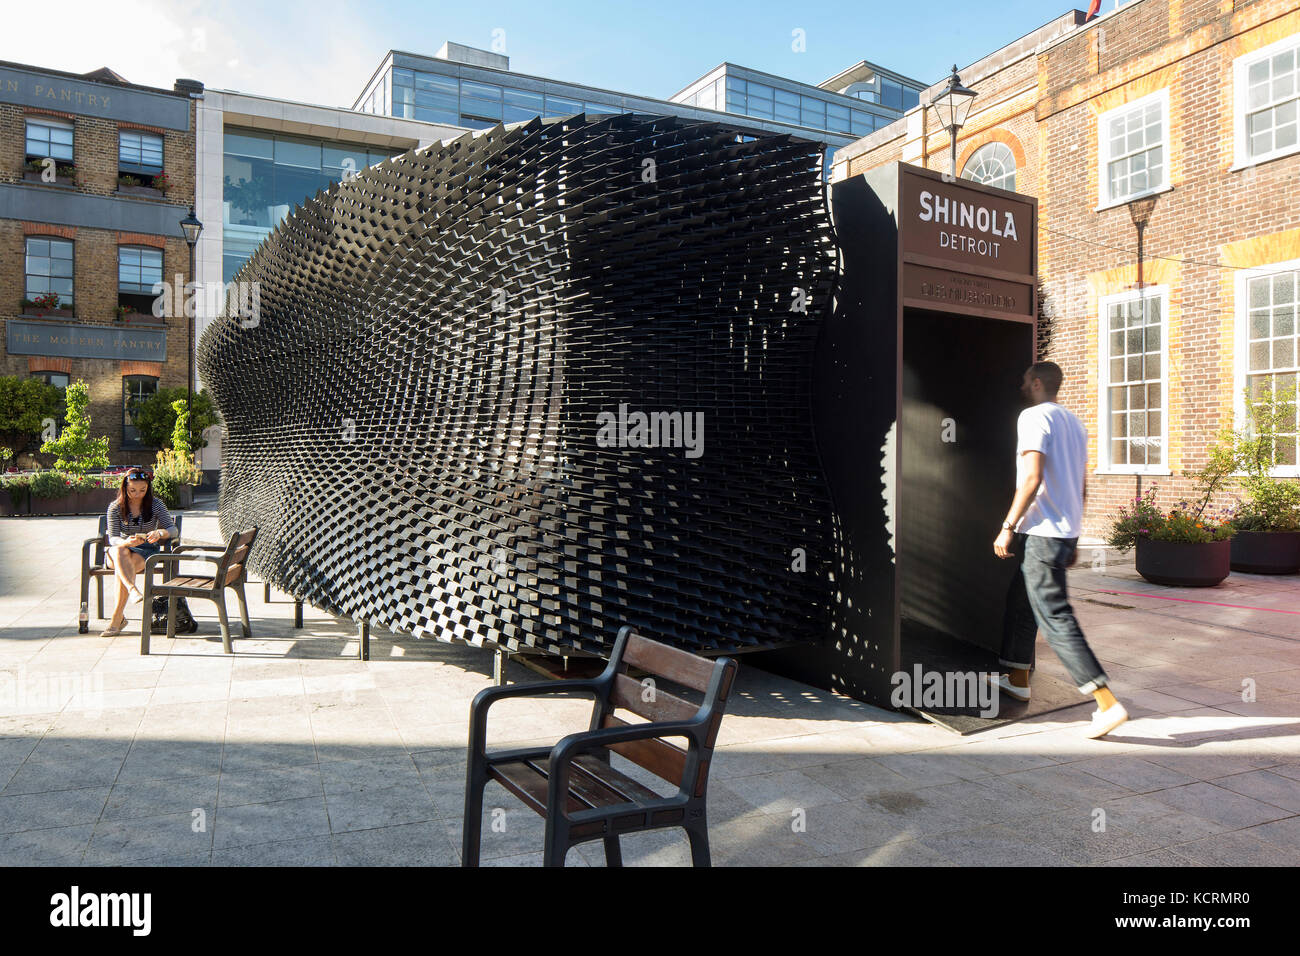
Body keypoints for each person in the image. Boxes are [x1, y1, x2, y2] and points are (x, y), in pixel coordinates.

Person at [991, 361, 1128, 738]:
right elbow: (1080, 484)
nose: (1021, 386)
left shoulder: (1034, 417)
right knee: (1022, 600)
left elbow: (1032, 477)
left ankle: (1107, 703)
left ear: (1036, 383)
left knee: (1055, 615)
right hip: (1061, 531)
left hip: (1044, 532)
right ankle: (1017, 677)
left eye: (1024, 380)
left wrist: (1007, 527)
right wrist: (1075, 536)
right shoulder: (1076, 423)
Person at [100, 469, 176, 637]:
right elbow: (113, 538)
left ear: (148, 488)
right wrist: (126, 542)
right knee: (119, 550)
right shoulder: (115, 507)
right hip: (120, 549)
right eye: (133, 490)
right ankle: (132, 590)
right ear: (124, 487)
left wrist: (160, 533)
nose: (138, 494)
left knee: (124, 569)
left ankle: (117, 619)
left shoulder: (156, 504)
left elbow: (172, 529)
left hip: (145, 550)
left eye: (143, 490)